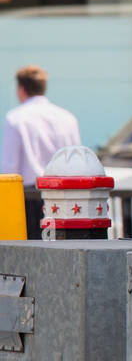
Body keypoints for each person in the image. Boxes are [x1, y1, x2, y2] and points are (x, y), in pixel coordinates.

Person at [2, 65, 81, 236]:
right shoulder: (67, 117)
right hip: (64, 197)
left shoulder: (15, 118)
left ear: (21, 89)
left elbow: (9, 167)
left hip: (30, 199)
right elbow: (77, 162)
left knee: (31, 255)